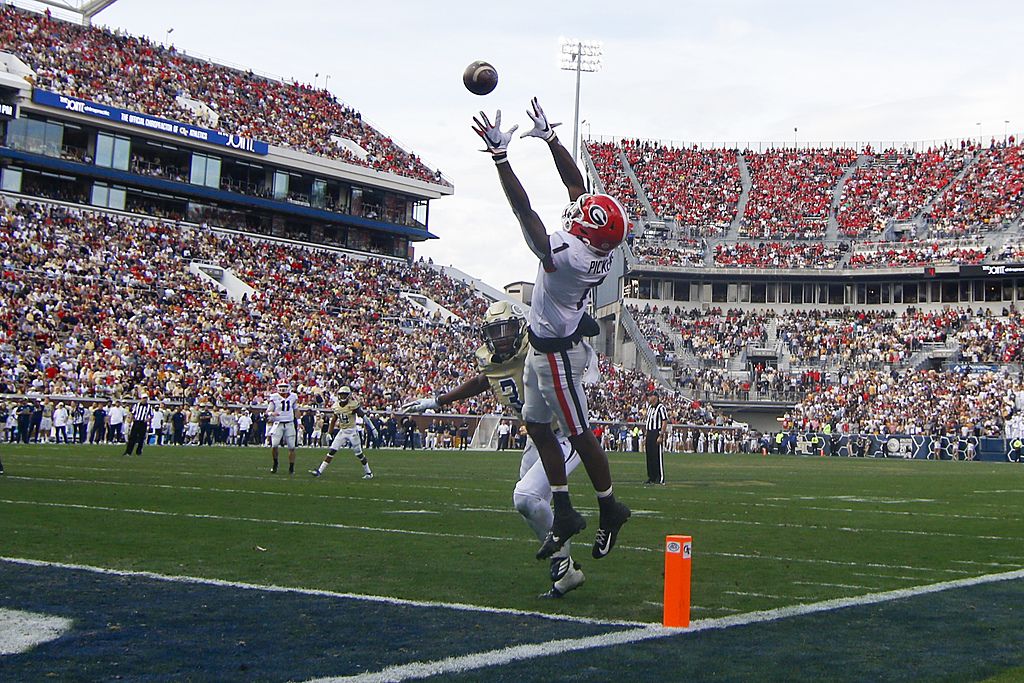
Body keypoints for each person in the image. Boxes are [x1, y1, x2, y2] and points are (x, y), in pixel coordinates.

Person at [472, 99, 631, 561]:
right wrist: (552, 140)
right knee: (537, 425)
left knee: (578, 432)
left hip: (559, 353)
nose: (576, 212)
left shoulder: (568, 256)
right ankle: (562, 508)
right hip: (544, 346)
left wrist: (501, 158)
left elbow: (525, 213)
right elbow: (576, 186)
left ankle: (609, 507)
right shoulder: (597, 247)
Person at [404, 301, 585, 598]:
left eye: (507, 329)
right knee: (528, 507)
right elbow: (482, 381)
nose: (501, 338)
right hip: (537, 439)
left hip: (566, 435)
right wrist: (437, 401)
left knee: (525, 497)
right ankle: (566, 571)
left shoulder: (537, 348)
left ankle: (562, 559)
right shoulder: (490, 361)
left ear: (520, 328)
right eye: (495, 331)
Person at [310, 386, 375, 479]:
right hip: (343, 431)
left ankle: (368, 473)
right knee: (332, 451)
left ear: (348, 395)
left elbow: (364, 417)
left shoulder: (353, 405)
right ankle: (319, 471)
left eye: (345, 395)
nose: (343, 396)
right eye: (341, 395)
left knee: (359, 454)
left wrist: (372, 428)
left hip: (352, 431)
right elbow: (333, 420)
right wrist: (329, 433)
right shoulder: (336, 406)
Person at [267, 381, 299, 474]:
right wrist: (272, 413)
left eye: (284, 386)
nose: (283, 388)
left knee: (292, 447)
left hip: (289, 423)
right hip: (278, 423)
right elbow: (268, 411)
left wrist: (299, 422)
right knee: (274, 445)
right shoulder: (274, 397)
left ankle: (291, 467)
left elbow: (296, 410)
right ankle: (275, 463)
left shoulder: (293, 396)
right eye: (281, 386)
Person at [644, 392, 669, 485]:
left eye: (650, 396)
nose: (649, 398)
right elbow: (648, 421)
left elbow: (664, 421)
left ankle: (660, 477)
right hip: (650, 433)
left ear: (655, 397)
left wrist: (661, 435)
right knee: (649, 456)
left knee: (657, 456)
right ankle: (651, 477)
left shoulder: (661, 407)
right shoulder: (650, 408)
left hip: (656, 432)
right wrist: (646, 434)